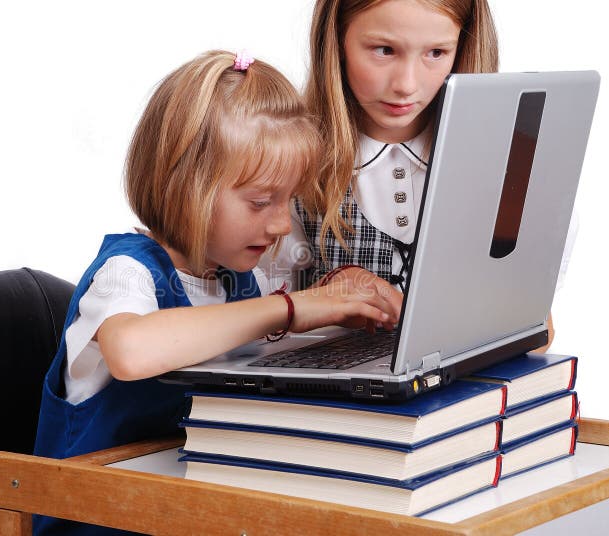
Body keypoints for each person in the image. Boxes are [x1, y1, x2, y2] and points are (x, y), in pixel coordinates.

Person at [33, 50, 401, 535]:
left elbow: (260, 337)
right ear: (185, 186)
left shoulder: (236, 281)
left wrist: (336, 305)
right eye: (260, 201)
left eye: (289, 200)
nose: (281, 223)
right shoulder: (127, 273)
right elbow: (131, 350)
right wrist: (289, 308)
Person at [263, 0, 566, 351]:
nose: (406, 85)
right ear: (336, 40)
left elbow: (537, 335)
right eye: (384, 50)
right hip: (338, 382)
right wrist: (330, 292)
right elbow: (262, 328)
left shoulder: (505, 165)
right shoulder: (294, 161)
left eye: (436, 53)